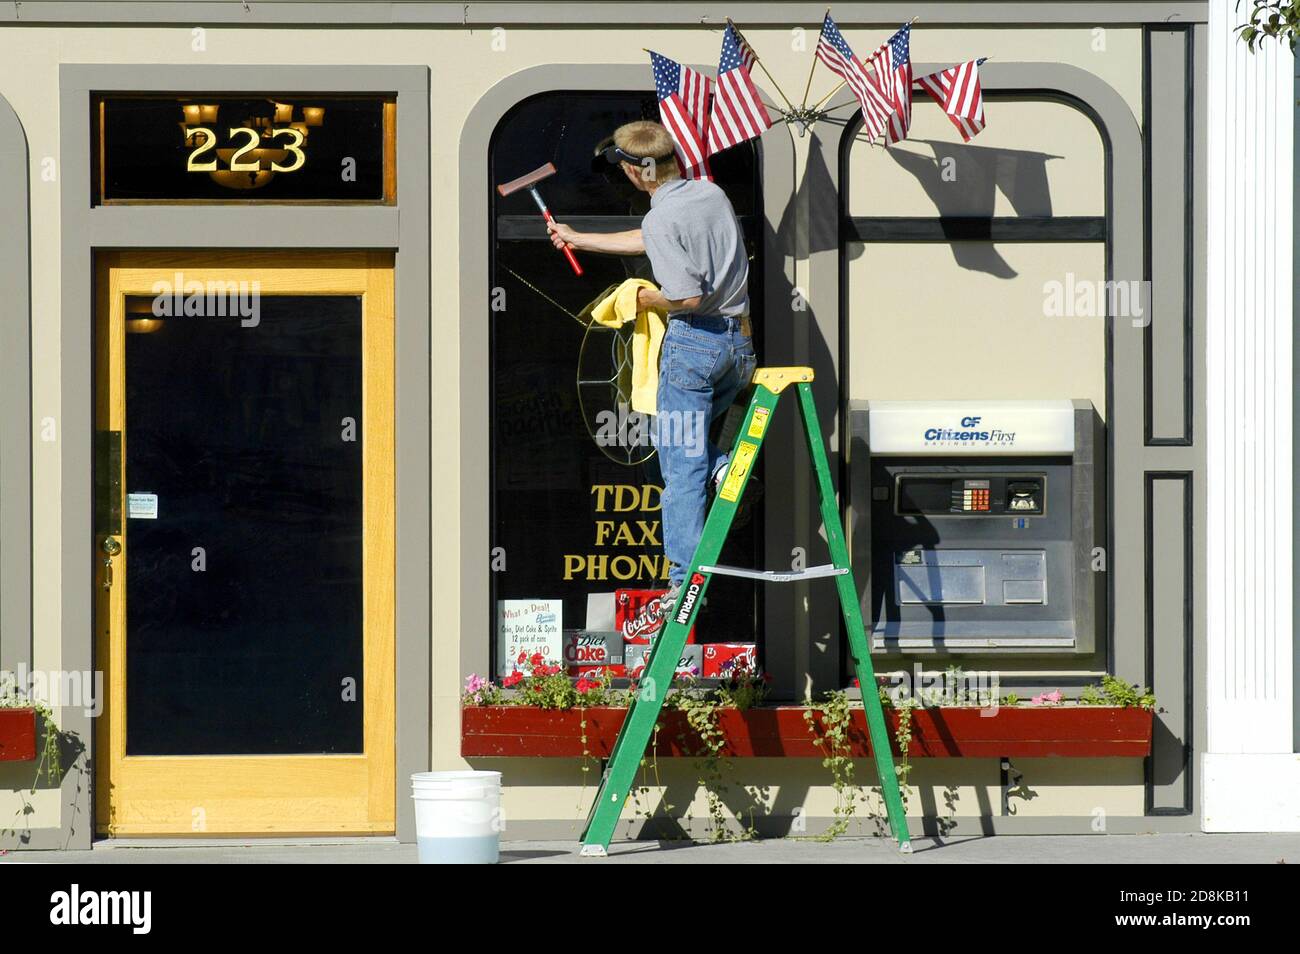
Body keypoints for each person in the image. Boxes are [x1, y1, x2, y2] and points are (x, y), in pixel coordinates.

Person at [549, 119, 756, 610]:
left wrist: (640, 298)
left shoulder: (663, 219)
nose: (624, 179)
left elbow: (685, 296)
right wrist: (580, 238)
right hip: (736, 347)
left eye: (624, 172)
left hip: (693, 351)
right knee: (694, 451)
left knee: (681, 470)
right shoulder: (710, 195)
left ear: (641, 171)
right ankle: (724, 466)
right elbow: (651, 238)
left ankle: (686, 586)